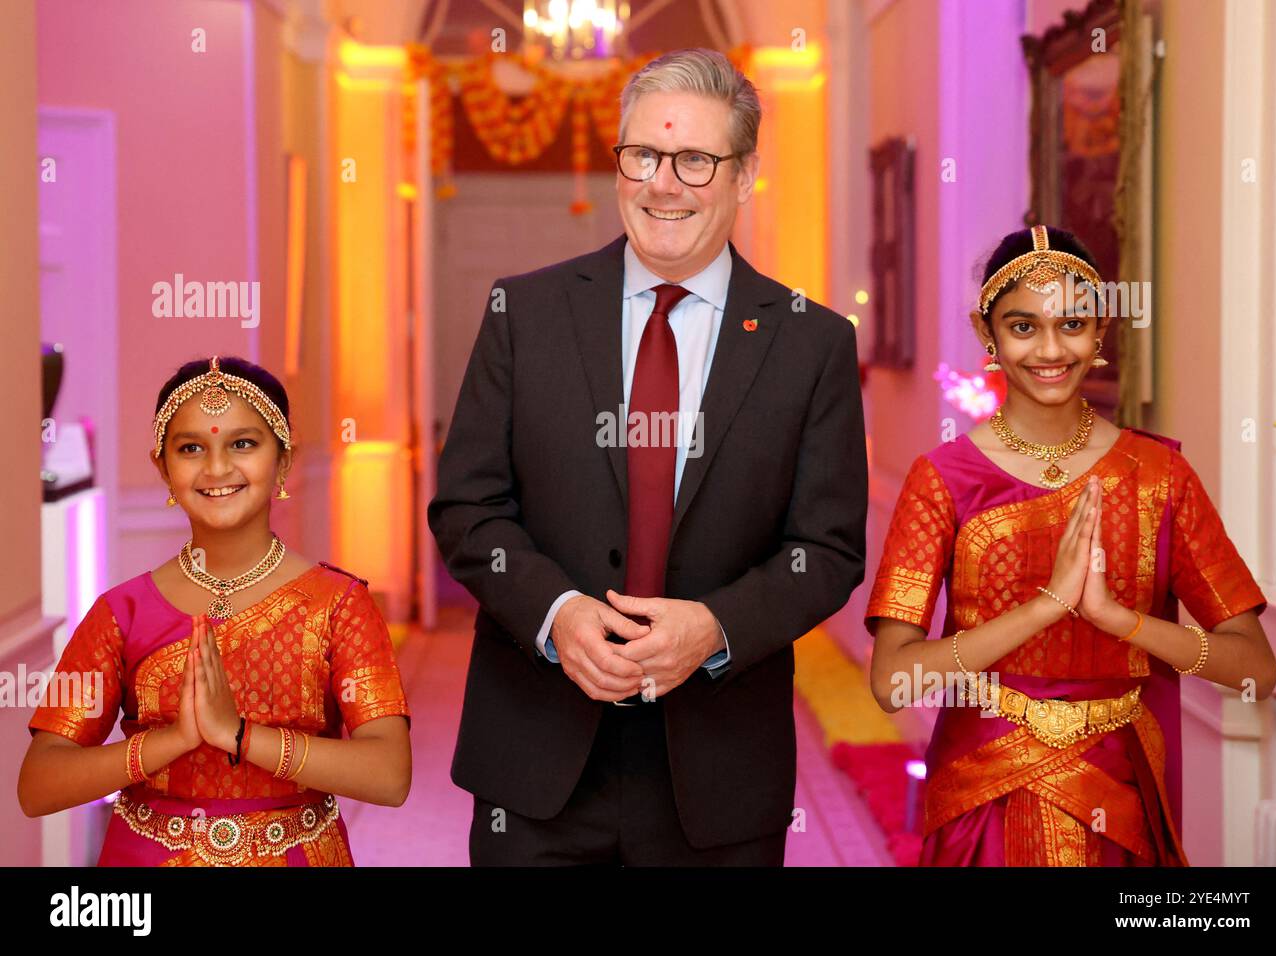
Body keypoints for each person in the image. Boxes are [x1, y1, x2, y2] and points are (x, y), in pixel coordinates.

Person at [429, 48, 867, 865]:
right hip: (536, 758)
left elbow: (828, 549)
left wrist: (716, 626)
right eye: (643, 155)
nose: (663, 184)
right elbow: (467, 507)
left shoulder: (813, 343)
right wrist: (557, 614)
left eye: (695, 159)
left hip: (719, 770)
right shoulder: (524, 313)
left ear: (745, 175)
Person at [866, 226, 1276, 865]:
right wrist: (1044, 607)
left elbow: (1255, 669)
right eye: (1023, 327)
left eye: (1073, 324)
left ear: (1101, 329)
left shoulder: (1158, 477)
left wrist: (1123, 621)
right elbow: (894, 682)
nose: (1051, 349)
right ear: (986, 333)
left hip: (1120, 801)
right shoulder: (943, 479)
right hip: (984, 802)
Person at [18, 356, 412, 866]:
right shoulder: (121, 613)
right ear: (163, 468)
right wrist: (173, 741)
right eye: (191, 448)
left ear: (283, 461)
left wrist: (241, 735)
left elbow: (389, 774)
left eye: (243, 444)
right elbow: (39, 785)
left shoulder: (339, 605)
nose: (217, 467)